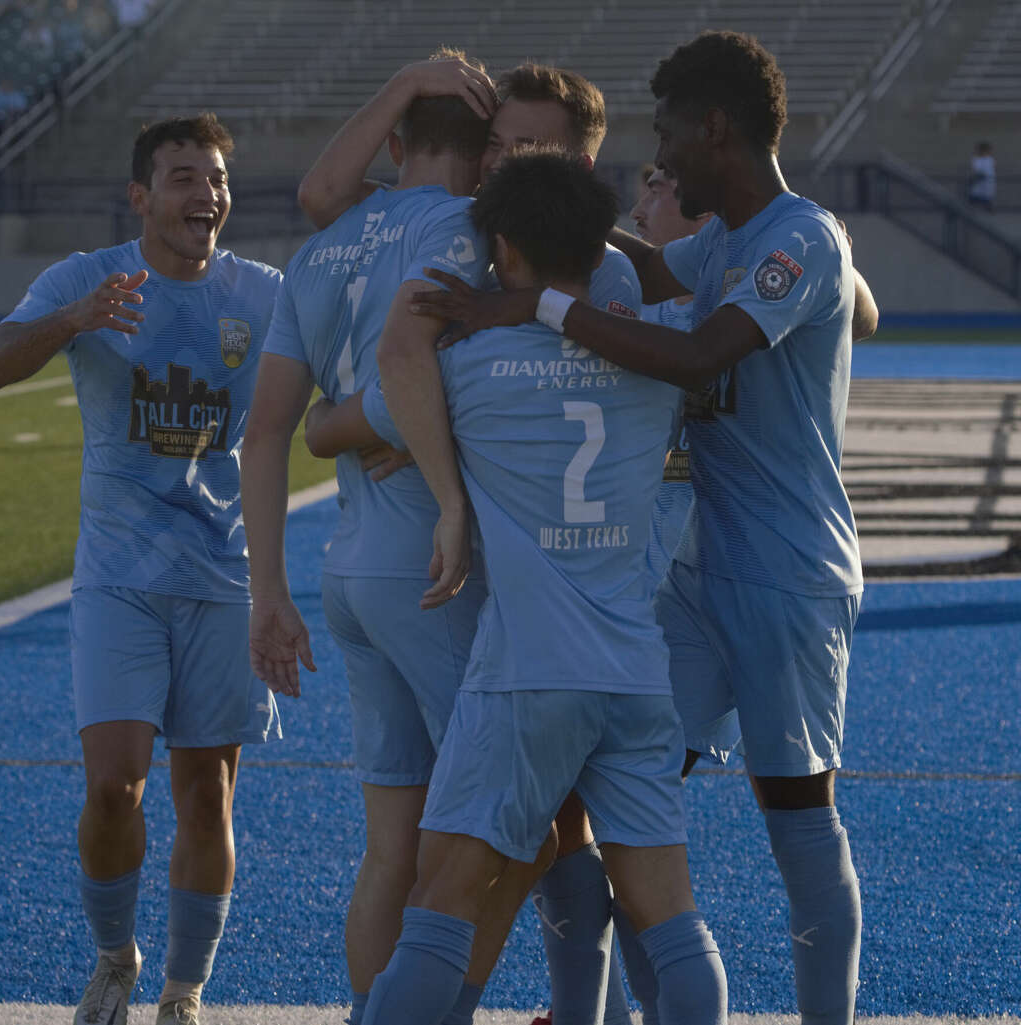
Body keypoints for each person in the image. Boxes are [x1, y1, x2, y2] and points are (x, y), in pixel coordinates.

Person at [412, 31, 874, 1025]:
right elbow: (631, 258)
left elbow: (703, 353)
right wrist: (522, 202)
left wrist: (528, 301)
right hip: (699, 576)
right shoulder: (722, 244)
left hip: (790, 575)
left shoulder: (799, 235)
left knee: (795, 817)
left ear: (716, 128)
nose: (656, 160)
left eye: (667, 137)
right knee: (623, 799)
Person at [299, 59, 647, 1025]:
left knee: (523, 832)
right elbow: (330, 208)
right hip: (489, 598)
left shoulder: (596, 274)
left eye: (528, 147)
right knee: (527, 831)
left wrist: (380, 429)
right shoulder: (481, 248)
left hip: (557, 603)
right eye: (497, 143)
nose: (504, 161)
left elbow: (369, 407)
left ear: (584, 160)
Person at [359, 147, 727, 1025]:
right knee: (672, 921)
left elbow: (343, 422)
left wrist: (446, 498)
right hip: (635, 675)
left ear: (507, 252)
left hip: (526, 671)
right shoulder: (650, 367)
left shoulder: (469, 365)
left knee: (440, 900)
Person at [243, 51, 561, 1025]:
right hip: (435, 566)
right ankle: (431, 1011)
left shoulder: (322, 247)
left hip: (346, 568)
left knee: (392, 840)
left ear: (395, 142)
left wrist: (269, 594)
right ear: (483, 154)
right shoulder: (466, 227)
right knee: (516, 826)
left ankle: (376, 1010)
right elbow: (414, 358)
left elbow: (265, 433)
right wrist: (401, 427)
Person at [0, 113, 282, 1025]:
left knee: (207, 790)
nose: (208, 193)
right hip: (117, 573)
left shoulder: (261, 293)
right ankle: (115, 956)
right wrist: (73, 320)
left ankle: (184, 991)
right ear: (141, 197)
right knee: (114, 780)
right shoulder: (87, 276)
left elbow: (340, 377)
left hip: (223, 575)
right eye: (185, 177)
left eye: (218, 177)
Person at [629, 164, 712, 585]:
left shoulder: (748, 311)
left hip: (733, 567)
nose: (636, 212)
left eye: (655, 193)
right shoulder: (627, 310)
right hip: (643, 565)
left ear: (705, 212)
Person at [967, 141, 996, 211]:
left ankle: (989, 210)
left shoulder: (989, 159)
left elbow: (989, 171)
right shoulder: (976, 160)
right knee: (974, 198)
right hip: (978, 182)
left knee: (986, 198)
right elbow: (975, 170)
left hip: (987, 183)